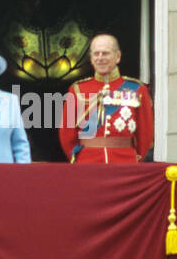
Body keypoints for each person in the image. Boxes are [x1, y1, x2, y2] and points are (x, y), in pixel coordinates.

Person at [58, 33, 153, 164]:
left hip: (125, 162)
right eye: (96, 54)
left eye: (105, 53)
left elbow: (145, 133)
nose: (100, 58)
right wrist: (77, 158)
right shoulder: (77, 90)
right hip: (87, 163)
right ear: (91, 58)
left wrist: (134, 159)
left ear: (118, 56)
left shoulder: (137, 89)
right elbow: (67, 134)